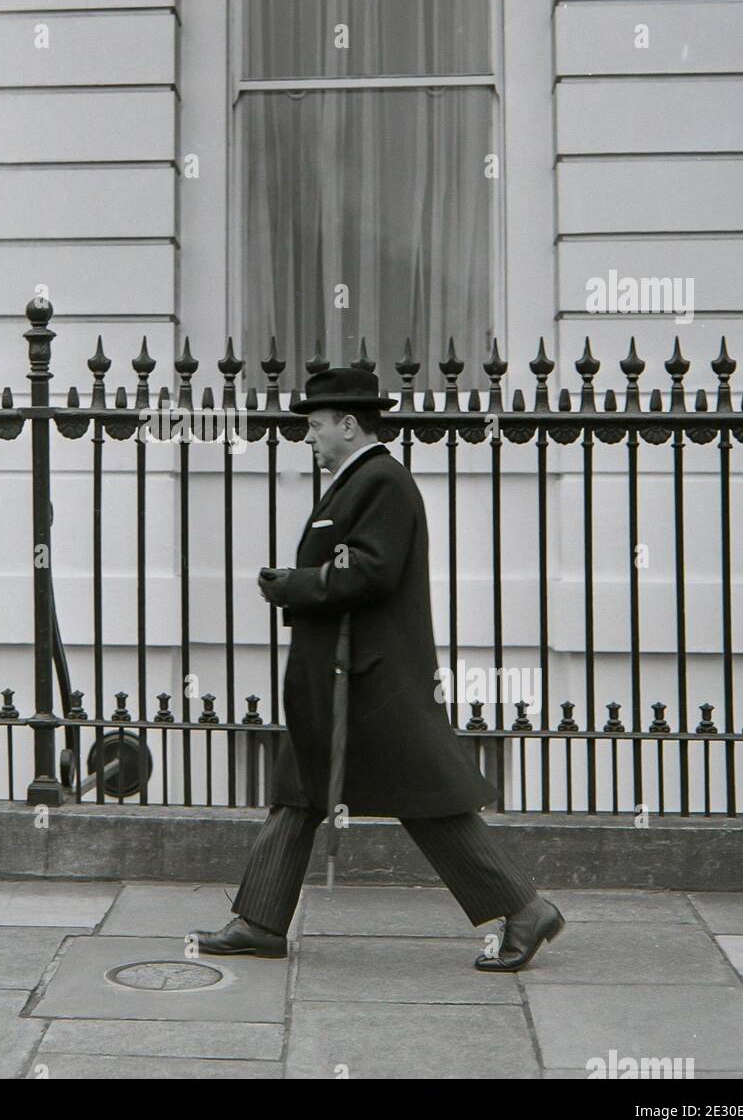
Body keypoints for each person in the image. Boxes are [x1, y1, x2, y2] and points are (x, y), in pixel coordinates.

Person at [190, 367, 565, 972]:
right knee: (299, 788)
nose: (307, 438)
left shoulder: (382, 480)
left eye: (314, 427)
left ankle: (525, 909)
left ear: (348, 424)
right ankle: (260, 920)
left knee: (427, 800)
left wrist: (295, 586)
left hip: (370, 681)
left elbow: (372, 570)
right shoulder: (357, 479)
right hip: (344, 677)